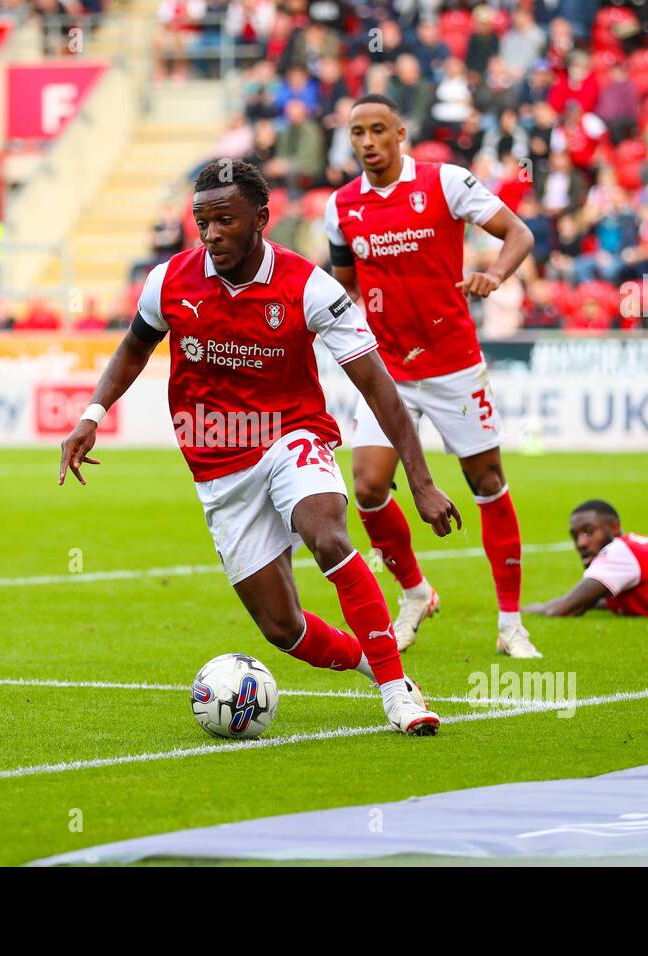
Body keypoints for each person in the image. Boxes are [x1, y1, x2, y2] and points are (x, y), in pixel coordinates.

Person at [58, 160, 464, 735]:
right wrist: (92, 414)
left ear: (261, 220)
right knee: (283, 629)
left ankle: (399, 694)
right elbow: (133, 347)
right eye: (202, 221)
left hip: (290, 434)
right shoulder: (168, 281)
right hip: (218, 467)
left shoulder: (309, 287)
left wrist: (421, 481)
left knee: (327, 535)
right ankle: (373, 663)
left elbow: (378, 385)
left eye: (225, 220)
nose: (211, 234)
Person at [323, 93, 541, 658]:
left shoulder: (445, 182)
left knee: (487, 482)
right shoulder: (342, 206)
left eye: (377, 130)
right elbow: (344, 284)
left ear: (400, 133)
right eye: (357, 134)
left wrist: (494, 274)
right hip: (386, 367)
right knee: (368, 488)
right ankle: (415, 593)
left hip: (453, 363)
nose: (367, 142)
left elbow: (519, 234)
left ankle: (511, 623)